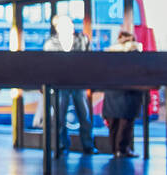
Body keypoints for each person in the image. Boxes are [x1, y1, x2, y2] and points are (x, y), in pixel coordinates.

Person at [42, 14, 96, 155]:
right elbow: (47, 65)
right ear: (58, 27)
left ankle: (88, 145)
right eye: (68, 23)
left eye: (71, 23)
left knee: (84, 116)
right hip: (59, 84)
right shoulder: (50, 44)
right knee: (59, 117)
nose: (71, 26)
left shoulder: (82, 39)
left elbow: (91, 60)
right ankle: (61, 145)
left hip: (79, 82)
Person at [102, 30, 145, 158]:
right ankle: (122, 149)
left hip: (112, 93)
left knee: (114, 124)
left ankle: (115, 150)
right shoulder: (135, 53)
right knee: (125, 124)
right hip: (129, 93)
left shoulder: (111, 53)